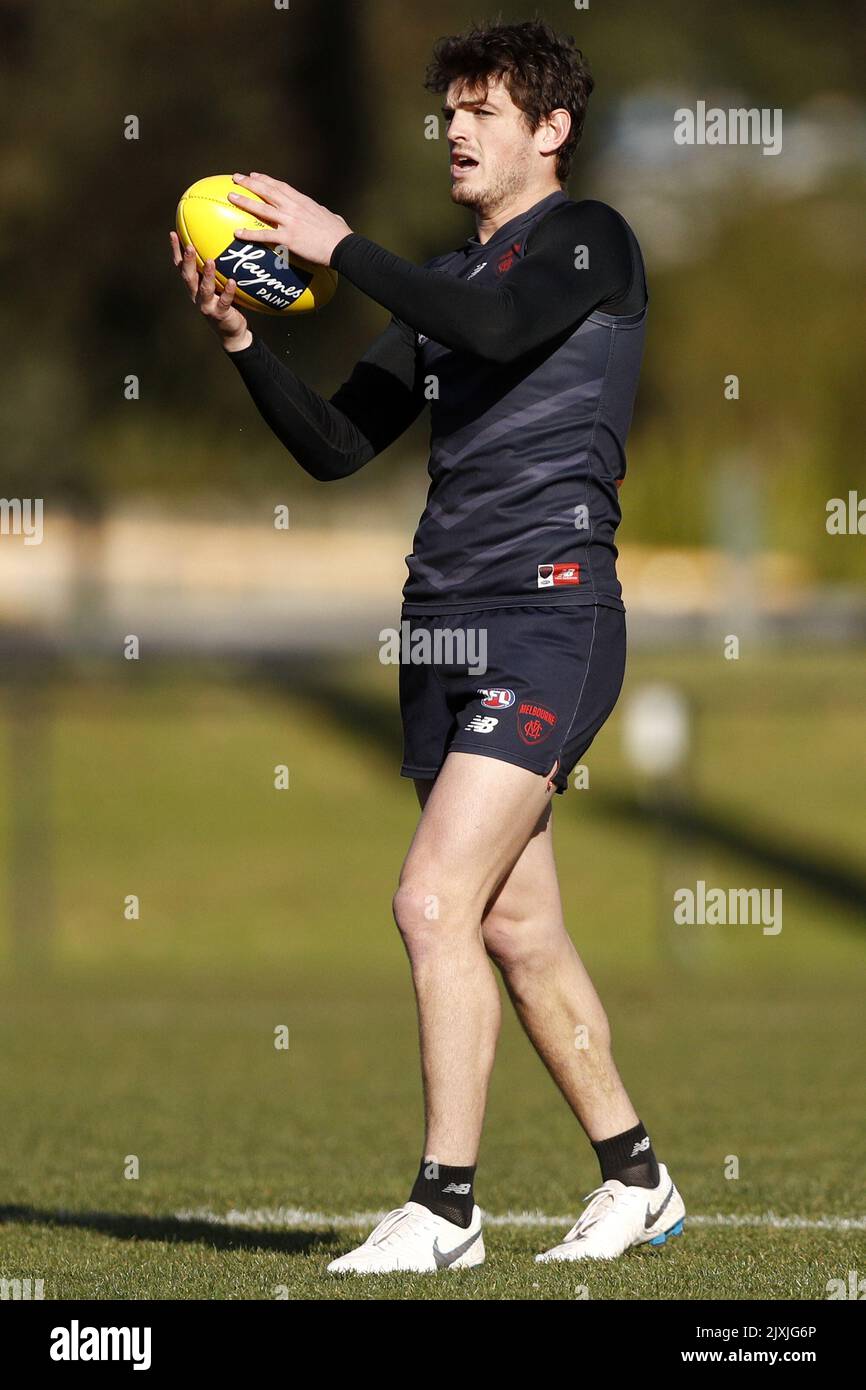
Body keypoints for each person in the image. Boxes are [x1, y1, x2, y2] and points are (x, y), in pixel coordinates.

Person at [169, 16, 685, 1274]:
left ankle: (445, 1206)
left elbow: (504, 329)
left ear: (548, 129)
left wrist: (338, 242)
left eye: (481, 111)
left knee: (429, 899)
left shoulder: (585, 240)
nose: (453, 130)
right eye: (446, 112)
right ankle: (638, 1183)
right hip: (441, 620)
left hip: (552, 613)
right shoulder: (447, 294)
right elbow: (340, 446)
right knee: (513, 928)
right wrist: (244, 341)